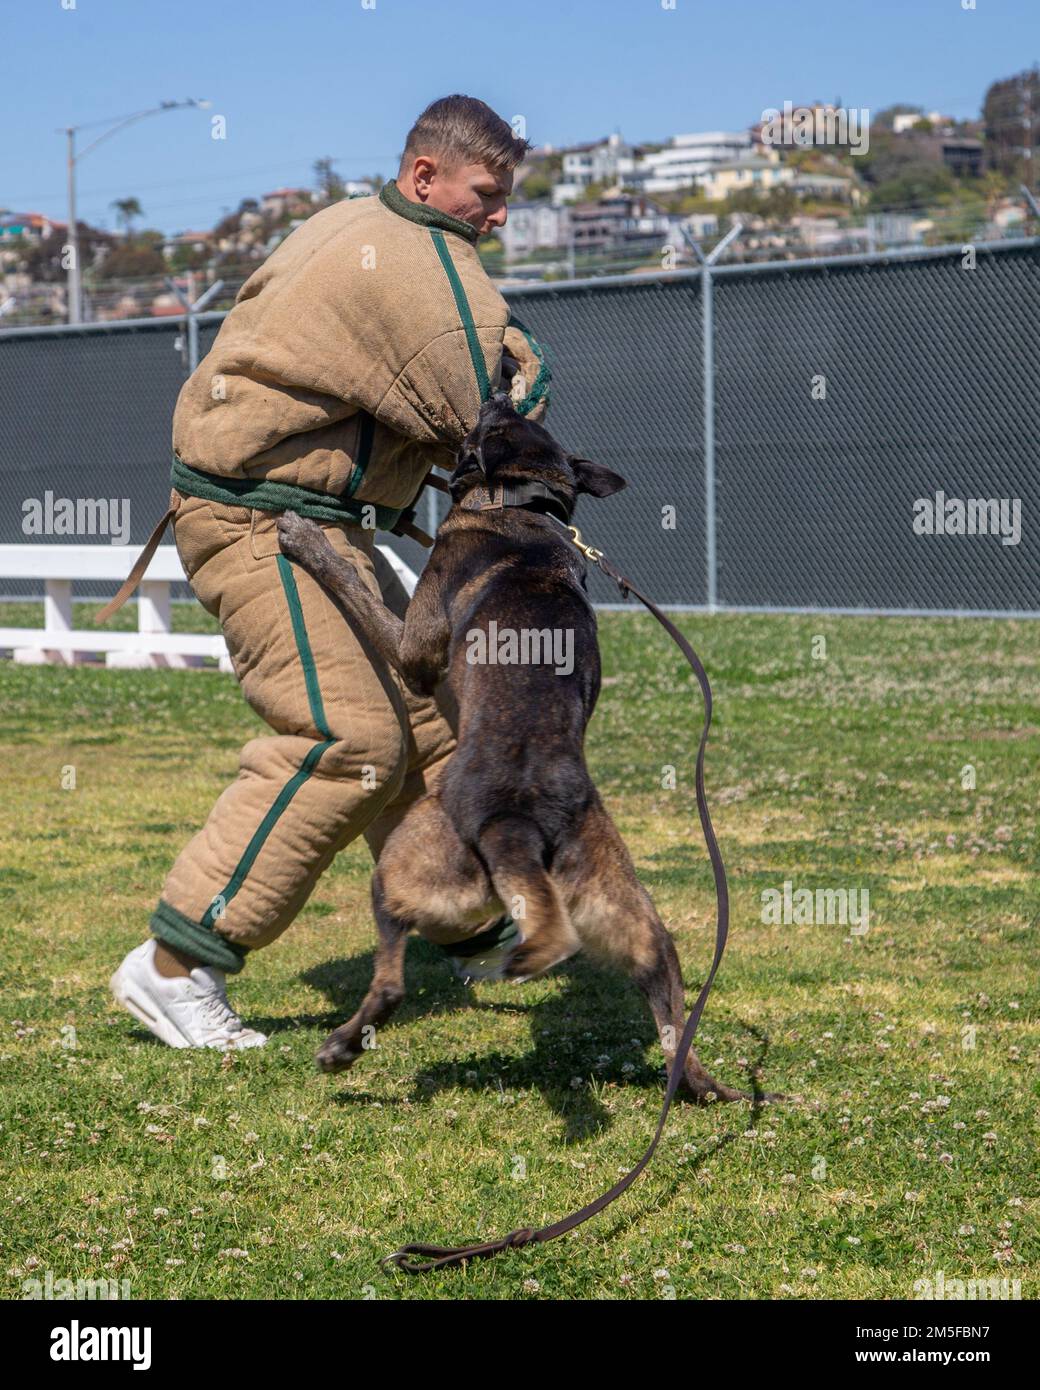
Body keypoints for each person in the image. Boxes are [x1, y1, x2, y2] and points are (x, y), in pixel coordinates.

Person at [110, 94, 551, 1049]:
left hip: (317, 524)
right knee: (347, 740)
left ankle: (465, 922)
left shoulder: (357, 229)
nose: (500, 213)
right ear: (426, 176)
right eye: (488, 192)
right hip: (262, 524)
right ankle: (175, 964)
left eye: (507, 195)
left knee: (434, 732)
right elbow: (487, 408)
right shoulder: (416, 259)